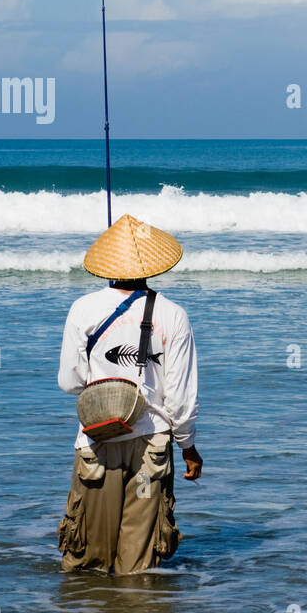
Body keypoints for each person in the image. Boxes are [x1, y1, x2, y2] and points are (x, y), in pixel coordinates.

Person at [55, 214, 202, 574]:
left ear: (107, 265)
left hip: (96, 438)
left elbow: (70, 383)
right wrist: (188, 447)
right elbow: (179, 396)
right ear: (152, 265)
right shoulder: (173, 314)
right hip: (151, 439)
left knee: (88, 555)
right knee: (138, 559)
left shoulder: (83, 308)